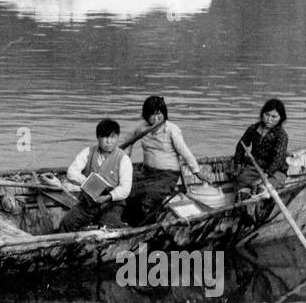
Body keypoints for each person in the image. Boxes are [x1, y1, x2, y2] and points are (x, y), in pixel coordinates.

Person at [123, 95, 206, 226]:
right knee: (126, 187)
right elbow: (128, 141)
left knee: (148, 196)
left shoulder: (172, 130)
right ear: (146, 115)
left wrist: (197, 172)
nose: (156, 119)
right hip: (147, 172)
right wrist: (126, 159)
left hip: (167, 175)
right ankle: (126, 222)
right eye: (153, 115)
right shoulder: (142, 128)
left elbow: (185, 152)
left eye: (159, 114)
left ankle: (145, 229)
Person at [57, 120, 133, 232]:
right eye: (105, 137)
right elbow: (72, 172)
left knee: (106, 228)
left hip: (112, 204)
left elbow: (125, 189)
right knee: (67, 223)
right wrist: (90, 183)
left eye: (113, 137)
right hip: (89, 203)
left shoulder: (123, 159)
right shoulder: (88, 152)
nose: (109, 141)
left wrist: (107, 197)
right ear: (98, 138)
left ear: (117, 137)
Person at [233, 98, 290, 195]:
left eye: (274, 117)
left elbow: (277, 160)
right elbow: (240, 147)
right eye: (267, 115)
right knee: (241, 186)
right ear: (262, 114)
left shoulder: (281, 135)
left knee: (262, 191)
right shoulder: (253, 129)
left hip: (275, 172)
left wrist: (263, 177)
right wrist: (238, 165)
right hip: (253, 168)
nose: (269, 120)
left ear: (281, 118)